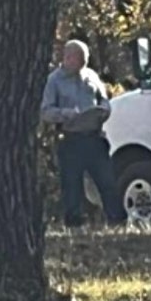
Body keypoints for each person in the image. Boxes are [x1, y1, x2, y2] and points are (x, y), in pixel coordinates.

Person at [41, 39, 127, 228]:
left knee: (107, 181)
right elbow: (45, 111)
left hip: (94, 137)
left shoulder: (91, 76)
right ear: (68, 58)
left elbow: (104, 100)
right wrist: (65, 114)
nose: (82, 67)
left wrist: (104, 110)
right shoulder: (54, 81)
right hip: (71, 139)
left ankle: (117, 221)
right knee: (72, 187)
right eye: (79, 62)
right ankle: (74, 226)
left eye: (84, 63)